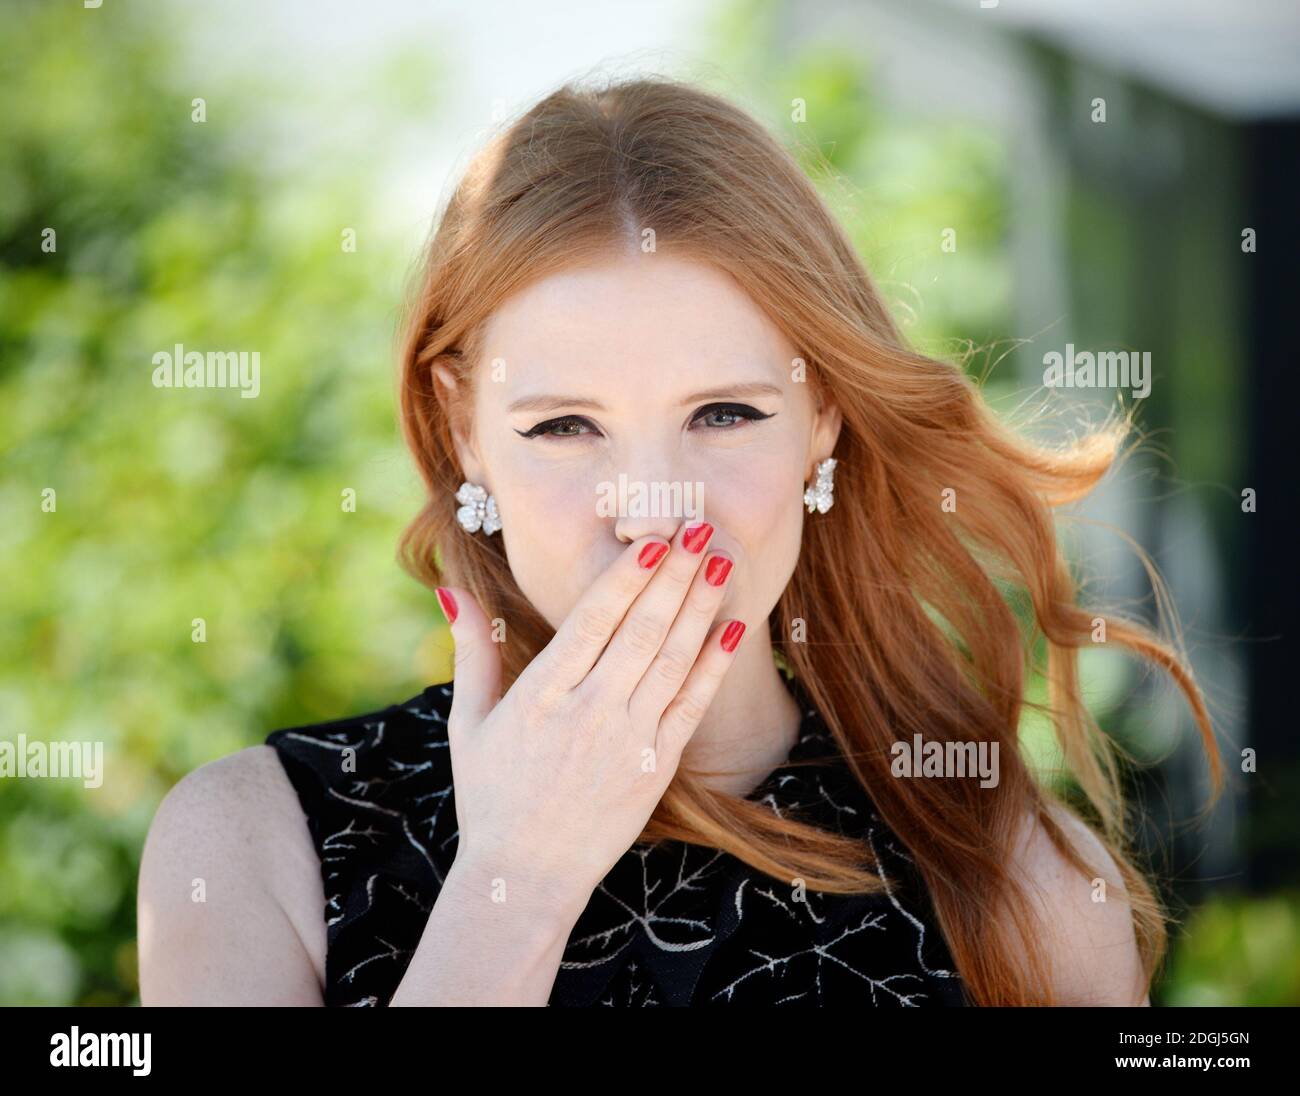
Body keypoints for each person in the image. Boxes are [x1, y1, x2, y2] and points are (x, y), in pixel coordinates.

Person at [137, 75, 1223, 1006]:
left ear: (823, 424)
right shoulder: (245, 849)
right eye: (565, 426)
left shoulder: (1020, 889)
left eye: (724, 415)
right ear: (465, 429)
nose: (652, 509)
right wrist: (512, 882)